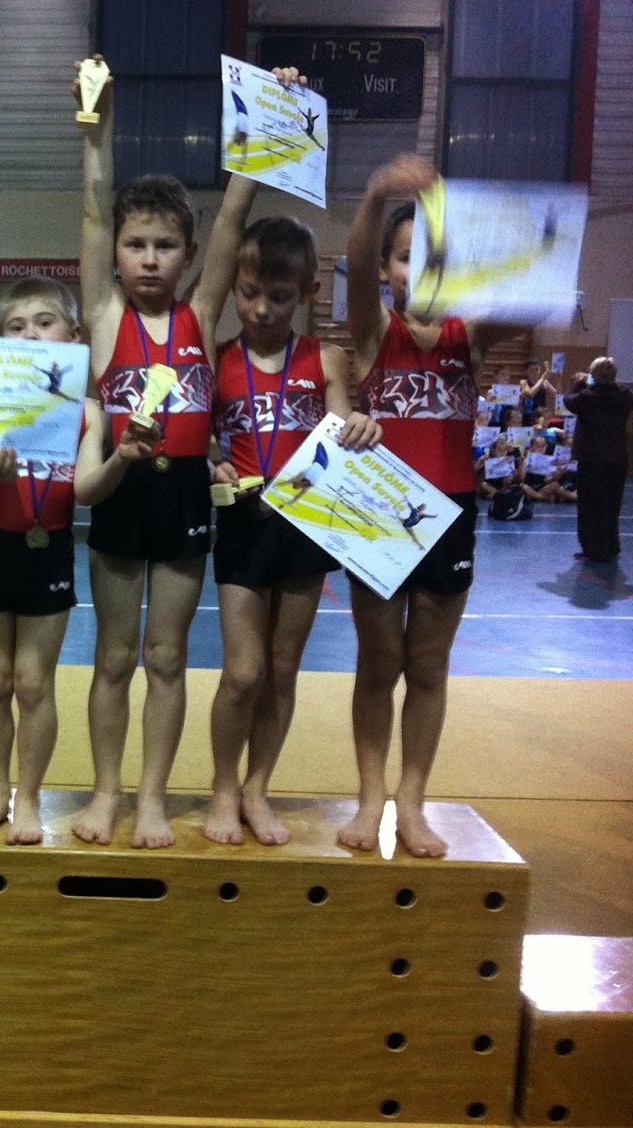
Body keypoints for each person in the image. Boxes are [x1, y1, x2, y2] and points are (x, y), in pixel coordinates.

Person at [69, 56, 286, 850]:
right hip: (122, 497)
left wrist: (264, 125)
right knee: (116, 654)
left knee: (167, 656)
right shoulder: (102, 313)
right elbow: (94, 211)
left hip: (188, 502)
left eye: (166, 244)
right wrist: (98, 125)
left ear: (190, 254)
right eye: (137, 245)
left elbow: (233, 218)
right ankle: (104, 793)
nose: (149, 257)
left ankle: (154, 797)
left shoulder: (198, 312)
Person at [341, 154, 529, 858]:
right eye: (402, 256)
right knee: (377, 663)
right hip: (380, 511)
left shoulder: (467, 337)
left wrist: (472, 236)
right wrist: (374, 193)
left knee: (427, 666)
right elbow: (355, 267)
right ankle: (368, 798)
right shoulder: (371, 332)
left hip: (449, 509)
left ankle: (410, 802)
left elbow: (527, 291)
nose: (413, 267)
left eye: (429, 257)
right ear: (388, 268)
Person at [204, 218, 381, 846]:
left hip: (307, 530)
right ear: (234, 289)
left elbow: (342, 428)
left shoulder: (325, 358)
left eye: (279, 297)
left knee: (282, 670)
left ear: (307, 291)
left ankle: (258, 787)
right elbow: (201, 439)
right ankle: (223, 789)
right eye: (250, 292)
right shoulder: (219, 359)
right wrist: (210, 462)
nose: (261, 308)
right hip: (243, 525)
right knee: (243, 672)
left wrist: (362, 427)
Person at [0, 277, 115, 845]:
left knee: (33, 684)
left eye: (44, 322)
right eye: (16, 326)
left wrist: (120, 458)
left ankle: (29, 797)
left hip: (47, 546)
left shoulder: (88, 412)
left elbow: (87, 484)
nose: (30, 334)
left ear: (73, 335)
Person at [564, 356, 633, 562]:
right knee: (613, 504)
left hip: (591, 458)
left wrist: (581, 383)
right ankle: (612, 546)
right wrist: (610, 381)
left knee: (590, 505)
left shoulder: (587, 396)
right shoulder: (624, 396)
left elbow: (568, 400)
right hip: (617, 459)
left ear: (593, 375)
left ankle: (593, 548)